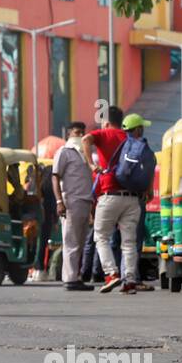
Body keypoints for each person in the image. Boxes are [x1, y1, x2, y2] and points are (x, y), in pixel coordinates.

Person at [84, 109, 151, 294]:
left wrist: (90, 163)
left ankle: (111, 273)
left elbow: (85, 140)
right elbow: (148, 166)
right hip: (132, 199)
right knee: (129, 242)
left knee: (101, 236)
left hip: (110, 195)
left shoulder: (104, 134)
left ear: (107, 121)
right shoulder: (133, 140)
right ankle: (129, 279)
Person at [52, 122, 95, 291]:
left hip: (85, 201)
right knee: (71, 241)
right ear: (69, 134)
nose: (80, 136)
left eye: (82, 133)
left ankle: (75, 276)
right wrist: (59, 202)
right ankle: (69, 278)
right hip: (71, 201)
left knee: (80, 241)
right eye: (77, 132)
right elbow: (55, 176)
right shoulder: (64, 152)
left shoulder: (85, 153)